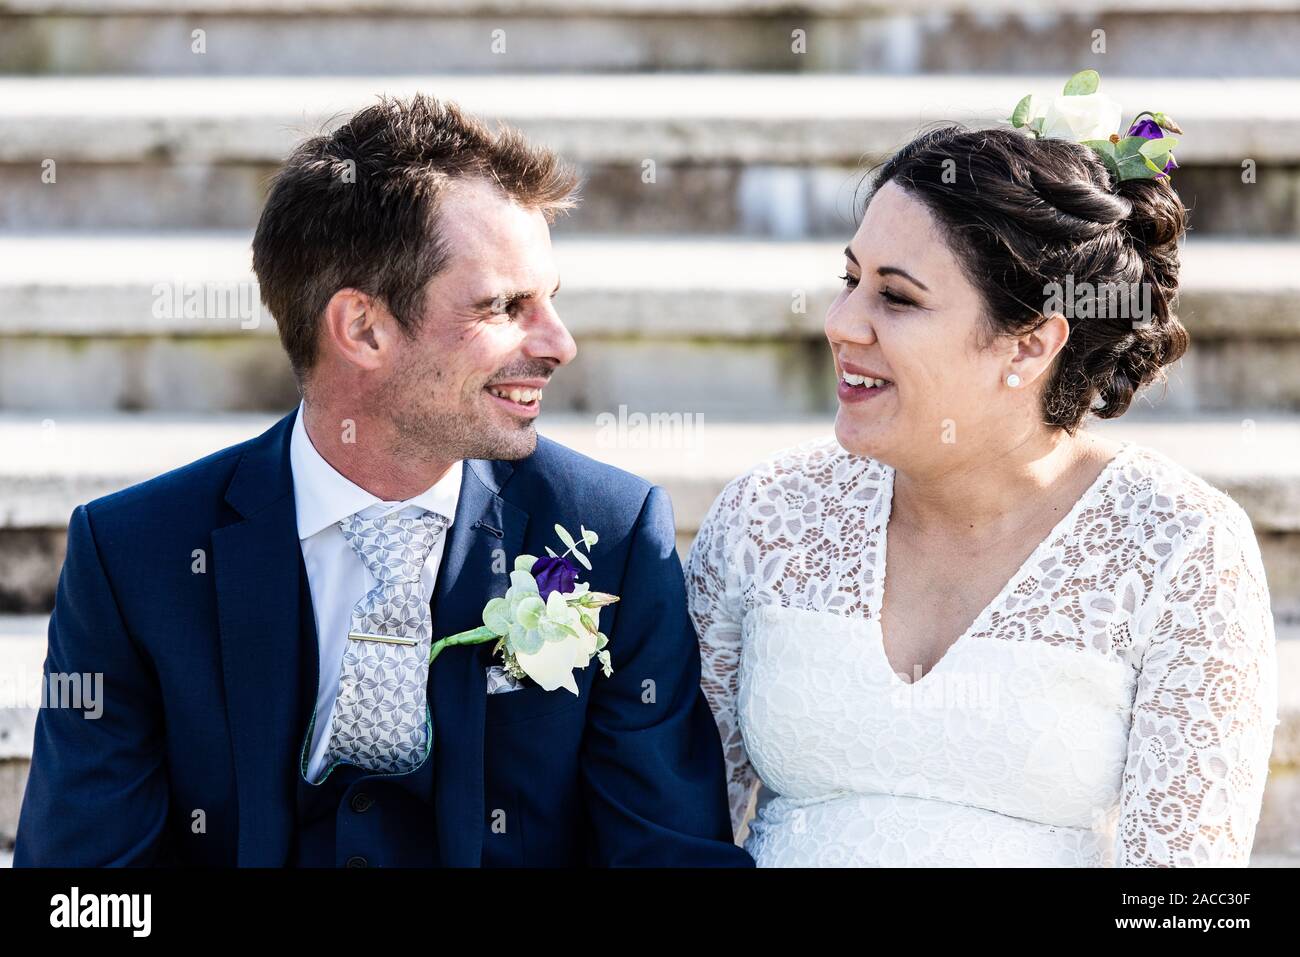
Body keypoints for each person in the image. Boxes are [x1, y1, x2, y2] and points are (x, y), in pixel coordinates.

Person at [15, 94, 751, 867]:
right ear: (363, 328)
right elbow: (84, 892)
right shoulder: (134, 555)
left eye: (552, 301)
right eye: (505, 306)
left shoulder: (610, 536)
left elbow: (668, 856)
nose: (559, 343)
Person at [686, 122, 1281, 867]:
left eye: (896, 298)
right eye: (851, 280)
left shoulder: (1180, 545)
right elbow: (678, 829)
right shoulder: (765, 515)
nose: (841, 324)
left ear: (1030, 344)